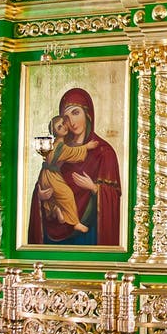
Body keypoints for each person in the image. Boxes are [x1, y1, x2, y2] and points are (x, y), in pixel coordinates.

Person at [28, 88, 121, 245]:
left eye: (76, 113)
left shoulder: (104, 152)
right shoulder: (57, 150)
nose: (71, 122)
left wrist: (94, 188)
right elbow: (46, 180)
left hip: (89, 233)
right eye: (66, 117)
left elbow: (113, 197)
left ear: (88, 114)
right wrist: (41, 196)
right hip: (53, 234)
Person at [37, 115, 99, 234]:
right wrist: (86, 147)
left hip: (47, 176)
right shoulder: (60, 146)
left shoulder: (56, 144)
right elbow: (71, 152)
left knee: (55, 195)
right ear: (55, 132)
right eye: (59, 127)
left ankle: (56, 209)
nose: (64, 127)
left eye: (63, 123)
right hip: (51, 175)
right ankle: (75, 223)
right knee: (66, 194)